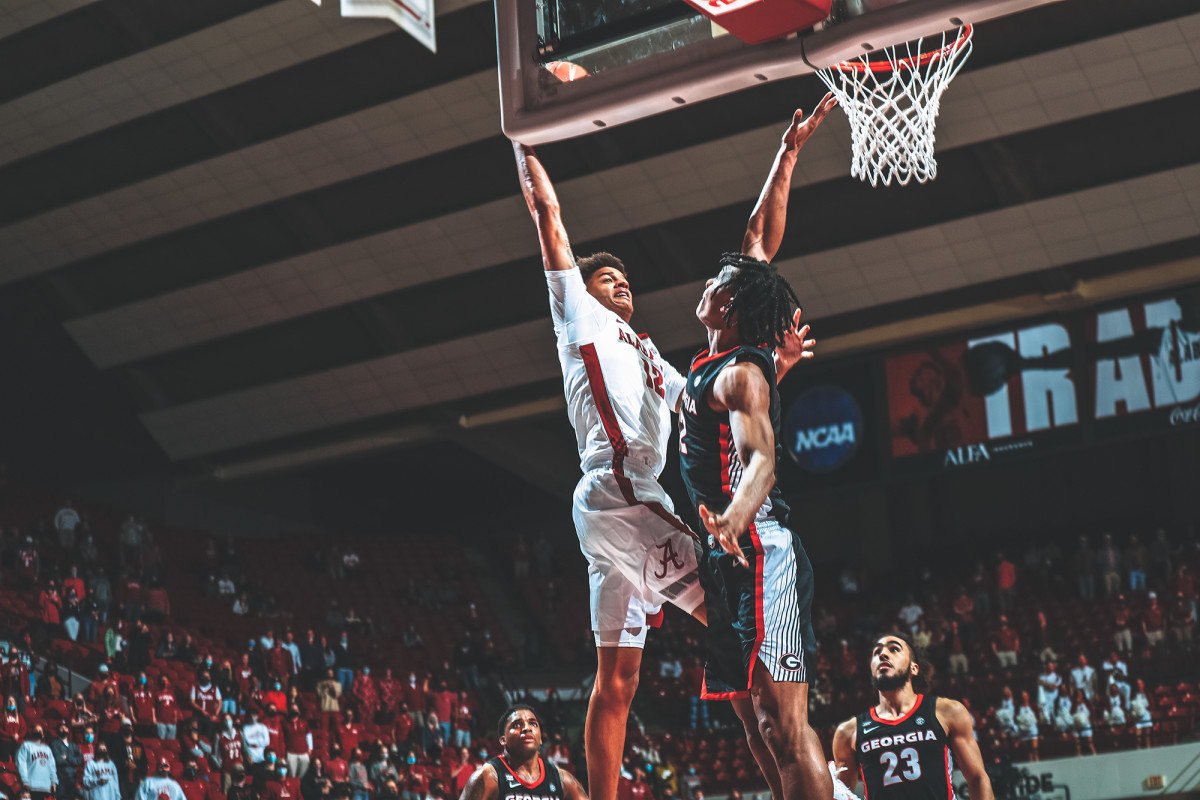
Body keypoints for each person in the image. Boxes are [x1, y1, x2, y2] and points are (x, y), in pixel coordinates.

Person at [511, 98, 825, 800]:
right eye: (605, 278)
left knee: (617, 680)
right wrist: (521, 138)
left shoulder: (656, 356)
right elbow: (548, 219)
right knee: (737, 625)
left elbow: (716, 399)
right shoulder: (580, 318)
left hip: (617, 513)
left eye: (625, 278)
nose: (619, 282)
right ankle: (808, 776)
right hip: (620, 491)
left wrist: (779, 367)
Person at [677, 96, 839, 800]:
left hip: (759, 546)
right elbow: (758, 239)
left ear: (731, 305)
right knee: (750, 723)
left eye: (718, 284)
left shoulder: (742, 373)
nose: (707, 283)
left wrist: (735, 517)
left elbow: (765, 459)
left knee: (783, 721)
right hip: (728, 553)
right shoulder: (731, 355)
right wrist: (790, 152)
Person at [831, 633, 993, 800]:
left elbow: (978, 778)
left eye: (894, 649)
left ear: (913, 668)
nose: (883, 654)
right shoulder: (848, 732)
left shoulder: (947, 711)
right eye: (876, 652)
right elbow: (842, 795)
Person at [458, 705, 586, 800]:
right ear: (503, 740)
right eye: (517, 725)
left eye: (533, 724)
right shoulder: (488, 776)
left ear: (540, 738)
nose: (527, 728)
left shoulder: (562, 779)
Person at [17, 726, 58, 800]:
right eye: (36, 730)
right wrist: (25, 780)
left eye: (40, 731)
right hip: (31, 784)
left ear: (43, 735)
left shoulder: (47, 749)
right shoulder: (26, 746)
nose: (38, 732)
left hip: (45, 786)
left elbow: (52, 767)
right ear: (32, 733)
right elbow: (21, 764)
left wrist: (53, 781)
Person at [50, 725, 83, 800]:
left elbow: (80, 759)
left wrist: (67, 758)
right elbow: (58, 760)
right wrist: (72, 761)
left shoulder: (74, 745)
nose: (64, 729)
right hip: (61, 777)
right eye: (61, 728)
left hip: (72, 777)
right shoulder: (55, 744)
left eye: (65, 727)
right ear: (58, 731)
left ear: (68, 730)